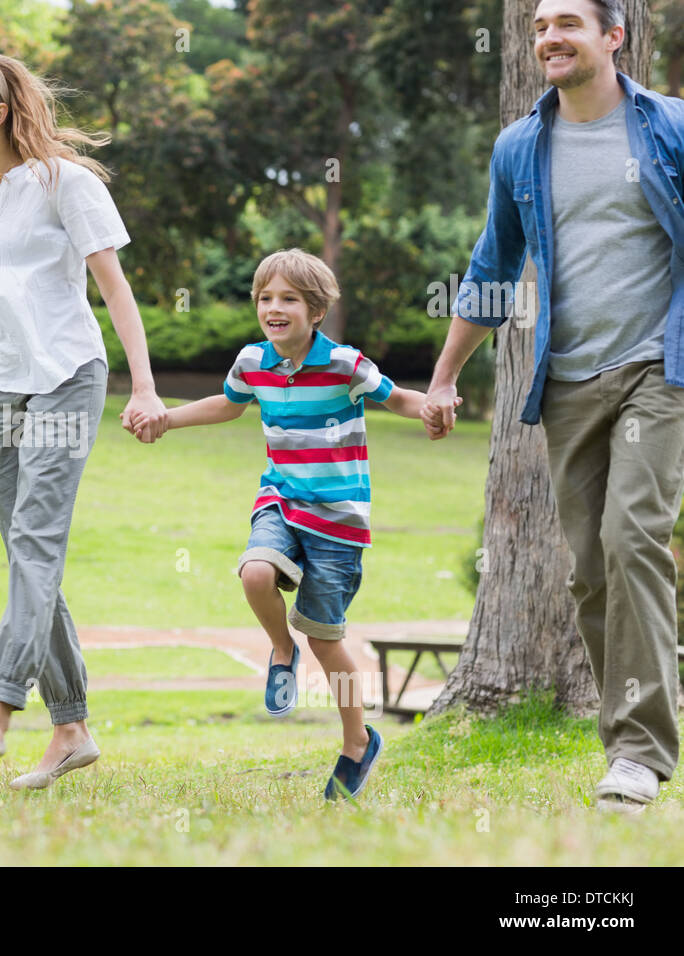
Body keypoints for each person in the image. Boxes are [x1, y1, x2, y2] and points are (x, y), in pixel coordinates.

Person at [422, 0, 684, 813]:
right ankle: (632, 734)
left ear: (615, 35)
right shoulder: (520, 147)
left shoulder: (671, 128)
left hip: (660, 366)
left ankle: (640, 752)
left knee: (632, 532)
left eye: (568, 21)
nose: (548, 38)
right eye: (538, 27)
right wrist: (442, 376)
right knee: (591, 574)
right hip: (567, 379)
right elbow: (492, 266)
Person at [0, 51, 166, 790]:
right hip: (0, 389)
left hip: (68, 379)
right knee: (25, 553)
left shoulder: (63, 185)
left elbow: (116, 291)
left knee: (34, 542)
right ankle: (71, 726)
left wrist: (143, 386)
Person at [132, 249, 437, 800]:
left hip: (339, 521)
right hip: (281, 499)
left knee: (326, 638)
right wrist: (166, 418)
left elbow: (399, 399)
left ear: (315, 310)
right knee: (253, 573)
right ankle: (280, 648)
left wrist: (433, 409)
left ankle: (356, 741)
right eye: (266, 298)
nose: (274, 308)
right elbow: (227, 405)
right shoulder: (252, 362)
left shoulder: (346, 364)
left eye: (288, 299)